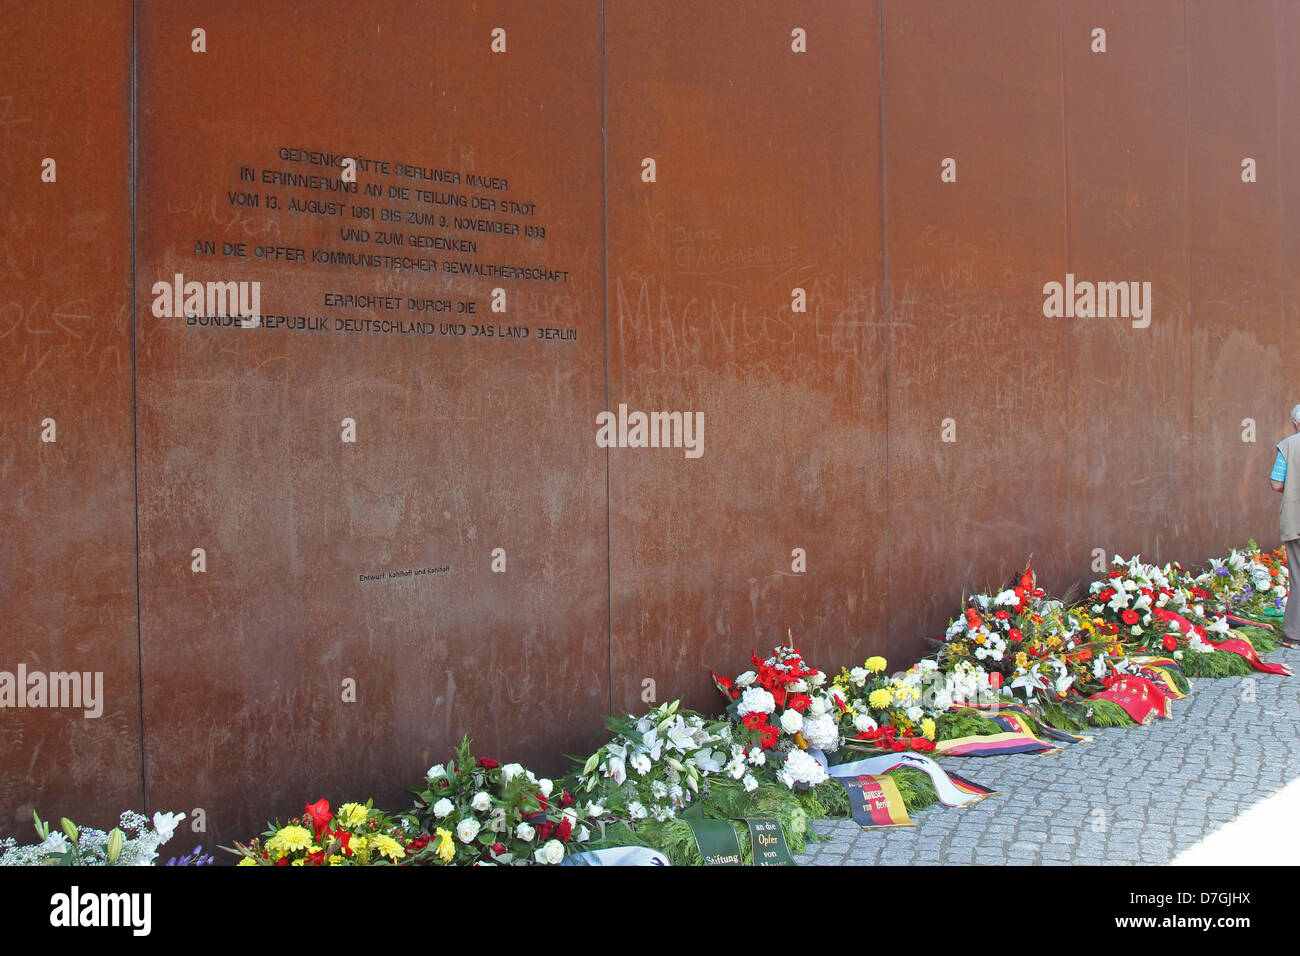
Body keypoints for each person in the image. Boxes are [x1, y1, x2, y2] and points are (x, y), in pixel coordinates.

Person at [1269, 404, 1300, 643]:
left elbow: (1277, 484)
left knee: (1298, 578)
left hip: (1296, 520)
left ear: (1295, 424)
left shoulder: (1288, 445)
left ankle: (1294, 634)